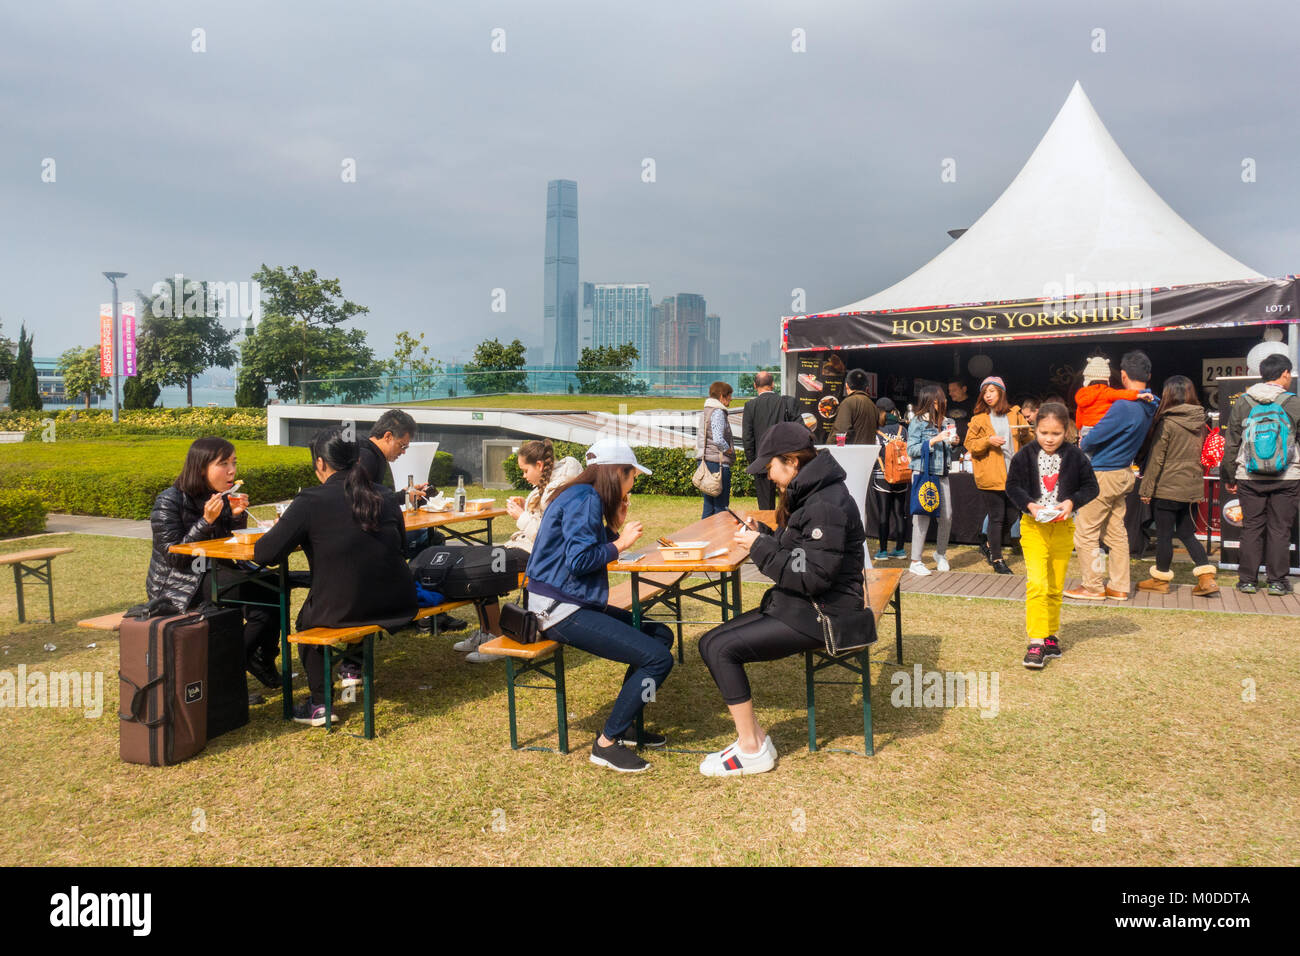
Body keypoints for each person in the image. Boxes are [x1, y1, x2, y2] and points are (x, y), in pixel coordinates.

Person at [697, 422, 866, 776]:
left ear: (791, 461)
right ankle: (754, 737)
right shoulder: (815, 493)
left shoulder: (825, 504)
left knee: (720, 649)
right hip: (802, 606)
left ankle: (751, 748)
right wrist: (767, 535)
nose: (769, 477)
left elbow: (812, 576)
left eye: (770, 467)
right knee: (711, 641)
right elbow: (803, 552)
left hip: (824, 615)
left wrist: (759, 547)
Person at [525, 439, 674, 773]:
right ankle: (606, 743)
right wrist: (620, 543)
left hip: (570, 601)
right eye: (632, 475)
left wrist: (613, 529)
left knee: (660, 635)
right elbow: (580, 561)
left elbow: (581, 546)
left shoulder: (581, 495)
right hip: (557, 609)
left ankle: (629, 723)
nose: (633, 482)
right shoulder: (585, 499)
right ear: (615, 473)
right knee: (657, 658)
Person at [254, 426, 417, 726]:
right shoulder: (383, 494)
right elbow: (402, 546)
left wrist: (288, 527)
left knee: (306, 623)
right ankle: (350, 670)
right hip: (399, 602)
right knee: (338, 596)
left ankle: (319, 704)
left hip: (348, 608)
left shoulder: (310, 500)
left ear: (320, 463)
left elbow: (264, 554)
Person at [147, 437, 282, 697]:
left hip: (216, 572)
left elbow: (225, 544)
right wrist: (205, 520)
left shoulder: (218, 497)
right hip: (182, 583)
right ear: (201, 468)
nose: (232, 471)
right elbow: (175, 556)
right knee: (262, 598)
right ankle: (232, 669)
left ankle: (258, 659)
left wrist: (236, 516)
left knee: (274, 588)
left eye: (234, 463)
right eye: (223, 464)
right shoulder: (168, 502)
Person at [453, 439, 583, 661]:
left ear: (539, 465)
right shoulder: (551, 485)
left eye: (525, 470)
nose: (523, 476)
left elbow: (550, 537)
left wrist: (521, 517)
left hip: (536, 553)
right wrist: (527, 510)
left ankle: (494, 637)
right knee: (475, 565)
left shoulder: (559, 490)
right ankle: (487, 632)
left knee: (483, 569)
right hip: (524, 547)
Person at [1006, 402, 1099, 669]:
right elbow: (1012, 486)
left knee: (1055, 585)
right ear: (1035, 428)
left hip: (1063, 527)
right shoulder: (1023, 456)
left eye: (1056, 434)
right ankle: (1035, 642)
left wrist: (1071, 502)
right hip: (1033, 527)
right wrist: (1030, 505)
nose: (1049, 439)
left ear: (1066, 431)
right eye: (1044, 432)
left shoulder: (1076, 456)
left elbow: (1091, 487)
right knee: (1037, 583)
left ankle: (1050, 635)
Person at [359, 409, 465, 631]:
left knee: (431, 538)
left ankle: (421, 608)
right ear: (388, 436)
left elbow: (374, 496)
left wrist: (404, 496)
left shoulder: (370, 454)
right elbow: (363, 501)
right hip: (369, 540)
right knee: (428, 541)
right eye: (402, 445)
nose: (403, 452)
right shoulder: (367, 457)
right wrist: (399, 497)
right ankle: (421, 611)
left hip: (372, 535)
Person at [1064, 350, 1156, 601]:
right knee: (1116, 532)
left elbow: (1092, 438)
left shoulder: (1124, 406)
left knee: (1086, 532)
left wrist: (1084, 441)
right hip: (1123, 472)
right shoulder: (1149, 404)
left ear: (1123, 375)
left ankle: (1092, 586)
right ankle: (1119, 585)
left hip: (1103, 474)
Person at [1221, 353, 1300, 596]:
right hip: (1286, 476)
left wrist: (1230, 476)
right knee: (1280, 529)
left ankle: (1247, 580)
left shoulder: (1244, 402)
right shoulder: (1293, 402)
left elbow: (1232, 441)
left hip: (1249, 475)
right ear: (1285, 374)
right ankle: (1277, 581)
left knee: (1252, 528)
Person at [1137, 375, 1219, 596]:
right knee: (1187, 532)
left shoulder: (1167, 422)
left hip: (1167, 486)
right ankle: (1206, 578)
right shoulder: (1200, 422)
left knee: (1164, 534)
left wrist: (1146, 489)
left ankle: (1160, 580)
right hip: (1191, 486)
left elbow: (1156, 459)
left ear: (1168, 395)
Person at [964, 376, 1031, 574]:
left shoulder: (1015, 414)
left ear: (1001, 392)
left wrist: (1027, 433)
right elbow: (970, 445)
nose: (988, 395)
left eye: (992, 391)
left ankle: (986, 541)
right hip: (990, 475)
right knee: (997, 517)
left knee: (1011, 516)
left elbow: (1029, 438)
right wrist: (988, 440)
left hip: (1014, 475)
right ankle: (997, 559)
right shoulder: (979, 418)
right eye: (985, 392)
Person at [907, 384, 957, 576]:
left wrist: (953, 443)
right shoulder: (918, 422)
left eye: (942, 399)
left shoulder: (948, 421)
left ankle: (940, 553)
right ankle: (915, 561)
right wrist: (935, 440)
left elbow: (948, 450)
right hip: (923, 471)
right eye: (937, 399)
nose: (941, 402)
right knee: (922, 515)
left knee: (947, 515)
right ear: (929, 401)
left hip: (942, 472)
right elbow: (911, 449)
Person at [741, 371, 799, 510]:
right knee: (788, 504)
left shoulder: (750, 406)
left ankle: (767, 531)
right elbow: (797, 431)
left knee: (765, 508)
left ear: (755, 385)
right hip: (785, 462)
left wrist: (753, 462)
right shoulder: (786, 402)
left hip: (761, 463)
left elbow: (748, 438)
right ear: (773, 384)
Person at [1074, 355, 1154, 438]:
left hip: (1086, 429)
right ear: (1106, 379)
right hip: (1102, 428)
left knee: (1087, 449)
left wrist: (1080, 429)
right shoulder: (1106, 392)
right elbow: (1122, 394)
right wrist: (1138, 395)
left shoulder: (1081, 394)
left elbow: (1079, 414)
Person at [871, 398, 909, 560]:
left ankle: (883, 551)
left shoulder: (876, 430)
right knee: (900, 513)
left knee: (883, 514)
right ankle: (900, 549)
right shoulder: (903, 429)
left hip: (882, 476)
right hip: (901, 475)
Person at [695, 381, 736, 518]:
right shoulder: (718, 412)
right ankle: (719, 537)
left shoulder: (706, 410)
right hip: (717, 464)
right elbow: (718, 439)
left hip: (706, 461)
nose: (731, 398)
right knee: (721, 507)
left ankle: (705, 536)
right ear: (721, 396)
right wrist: (729, 450)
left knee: (709, 506)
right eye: (729, 395)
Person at [832, 368, 879, 445]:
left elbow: (841, 432)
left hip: (850, 454)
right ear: (867, 388)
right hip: (868, 455)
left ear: (846, 386)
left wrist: (833, 451)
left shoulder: (848, 402)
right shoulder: (873, 406)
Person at [946, 377, 975, 446]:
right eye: (949, 391)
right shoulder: (947, 404)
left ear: (964, 389)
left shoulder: (974, 405)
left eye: (954, 390)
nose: (950, 393)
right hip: (948, 444)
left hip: (967, 446)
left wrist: (961, 440)